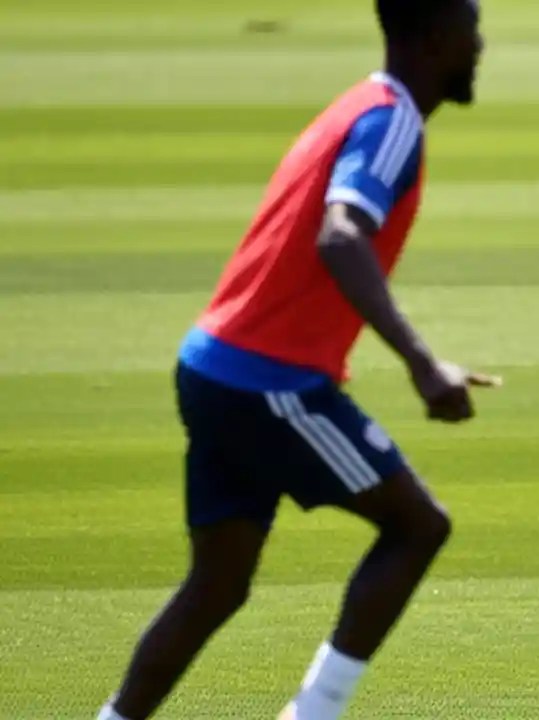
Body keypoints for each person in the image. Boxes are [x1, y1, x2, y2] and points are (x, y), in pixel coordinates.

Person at [94, 2, 494, 719]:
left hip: (213, 367)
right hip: (266, 382)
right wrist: (422, 363)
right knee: (417, 526)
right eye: (473, 29)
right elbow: (342, 237)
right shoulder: (392, 121)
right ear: (436, 39)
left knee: (217, 584)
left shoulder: (357, 104)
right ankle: (313, 714)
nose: (481, 46)